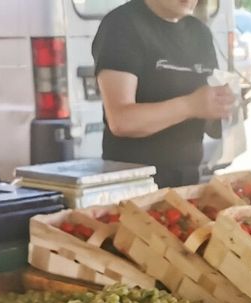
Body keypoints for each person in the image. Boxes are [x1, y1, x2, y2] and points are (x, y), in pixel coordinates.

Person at [93, 0, 234, 188]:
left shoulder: (200, 33)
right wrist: (191, 105)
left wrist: (223, 109)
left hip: (188, 180)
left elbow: (207, 116)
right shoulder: (122, 25)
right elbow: (121, 120)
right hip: (133, 185)